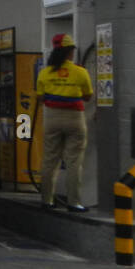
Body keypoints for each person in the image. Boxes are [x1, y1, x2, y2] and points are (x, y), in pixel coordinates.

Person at [35, 33, 93, 211]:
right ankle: (73, 202)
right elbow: (88, 96)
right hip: (74, 119)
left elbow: (40, 98)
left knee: (50, 161)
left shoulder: (44, 73)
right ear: (70, 52)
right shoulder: (80, 72)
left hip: (52, 118)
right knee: (74, 161)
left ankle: (47, 201)